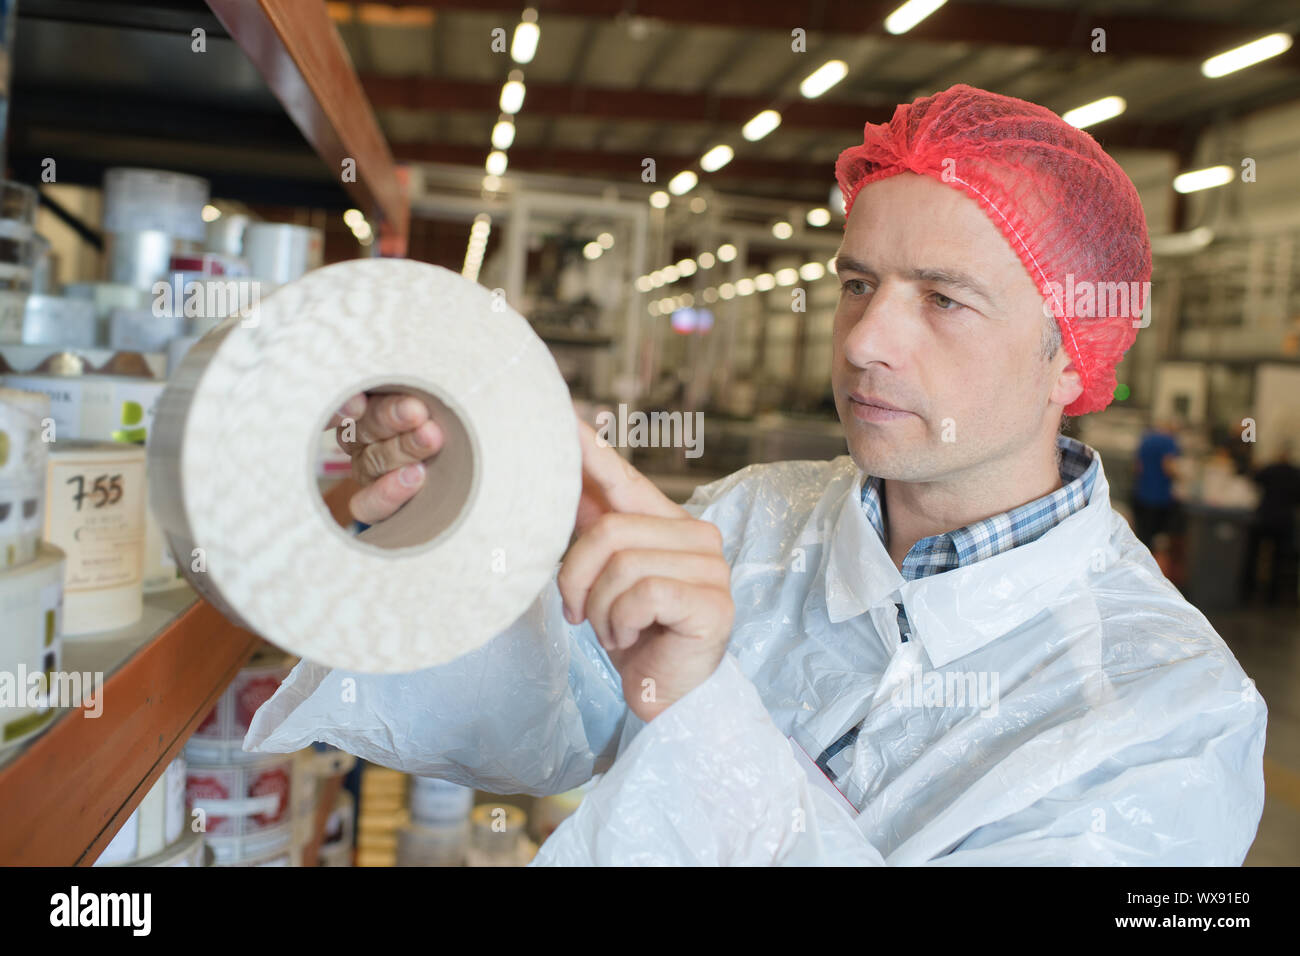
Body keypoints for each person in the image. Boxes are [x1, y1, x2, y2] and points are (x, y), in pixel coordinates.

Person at [247, 84, 1265, 865]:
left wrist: (701, 708)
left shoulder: (1166, 717)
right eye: (858, 283)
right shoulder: (756, 517)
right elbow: (541, 719)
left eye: (942, 298)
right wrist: (445, 517)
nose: (867, 339)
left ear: (1071, 355)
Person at [1242, 441, 1300, 604]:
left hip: (1264, 518)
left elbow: (1254, 481)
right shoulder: (1296, 473)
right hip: (1284, 521)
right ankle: (1274, 594)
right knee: (1279, 560)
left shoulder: (1270, 469)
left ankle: (1249, 590)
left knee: (1253, 555)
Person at [1131, 418, 1181, 548]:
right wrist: (1181, 477)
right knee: (1157, 539)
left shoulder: (1146, 439)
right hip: (1159, 497)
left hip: (1142, 493)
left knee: (1142, 536)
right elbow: (1168, 467)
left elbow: (1138, 468)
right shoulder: (1168, 442)